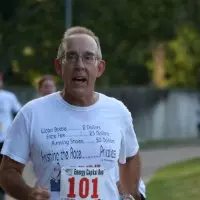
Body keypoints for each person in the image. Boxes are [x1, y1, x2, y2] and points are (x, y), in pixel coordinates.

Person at [0, 26, 143, 200]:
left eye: (88, 57)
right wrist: (28, 194)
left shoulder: (118, 111)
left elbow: (131, 158)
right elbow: (7, 171)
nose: (79, 65)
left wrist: (134, 194)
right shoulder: (31, 113)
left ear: (100, 67)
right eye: (71, 57)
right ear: (59, 66)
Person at [0, 72, 21, 199]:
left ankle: (2, 194)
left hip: (4, 140)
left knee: (4, 169)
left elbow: (19, 113)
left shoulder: (9, 97)